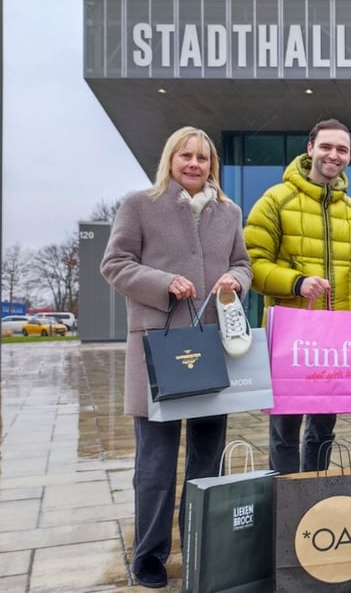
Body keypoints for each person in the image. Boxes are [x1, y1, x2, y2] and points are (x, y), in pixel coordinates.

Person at [101, 126, 253, 589]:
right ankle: (148, 555)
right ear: (170, 160)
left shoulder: (229, 211)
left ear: (212, 166)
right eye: (185, 156)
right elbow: (115, 263)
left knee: (208, 459)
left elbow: (243, 264)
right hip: (158, 351)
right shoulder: (139, 204)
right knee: (155, 464)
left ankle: (200, 544)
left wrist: (235, 280)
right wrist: (163, 281)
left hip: (212, 349)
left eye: (203, 158)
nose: (194, 164)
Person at [244, 118, 351, 473]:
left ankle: (314, 500)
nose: (334, 155)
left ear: (349, 157)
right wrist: (296, 282)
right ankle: (286, 508)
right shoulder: (275, 200)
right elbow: (251, 265)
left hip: (335, 343)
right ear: (310, 149)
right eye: (327, 146)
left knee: (323, 432)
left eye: (342, 149)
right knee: (284, 432)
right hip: (291, 338)